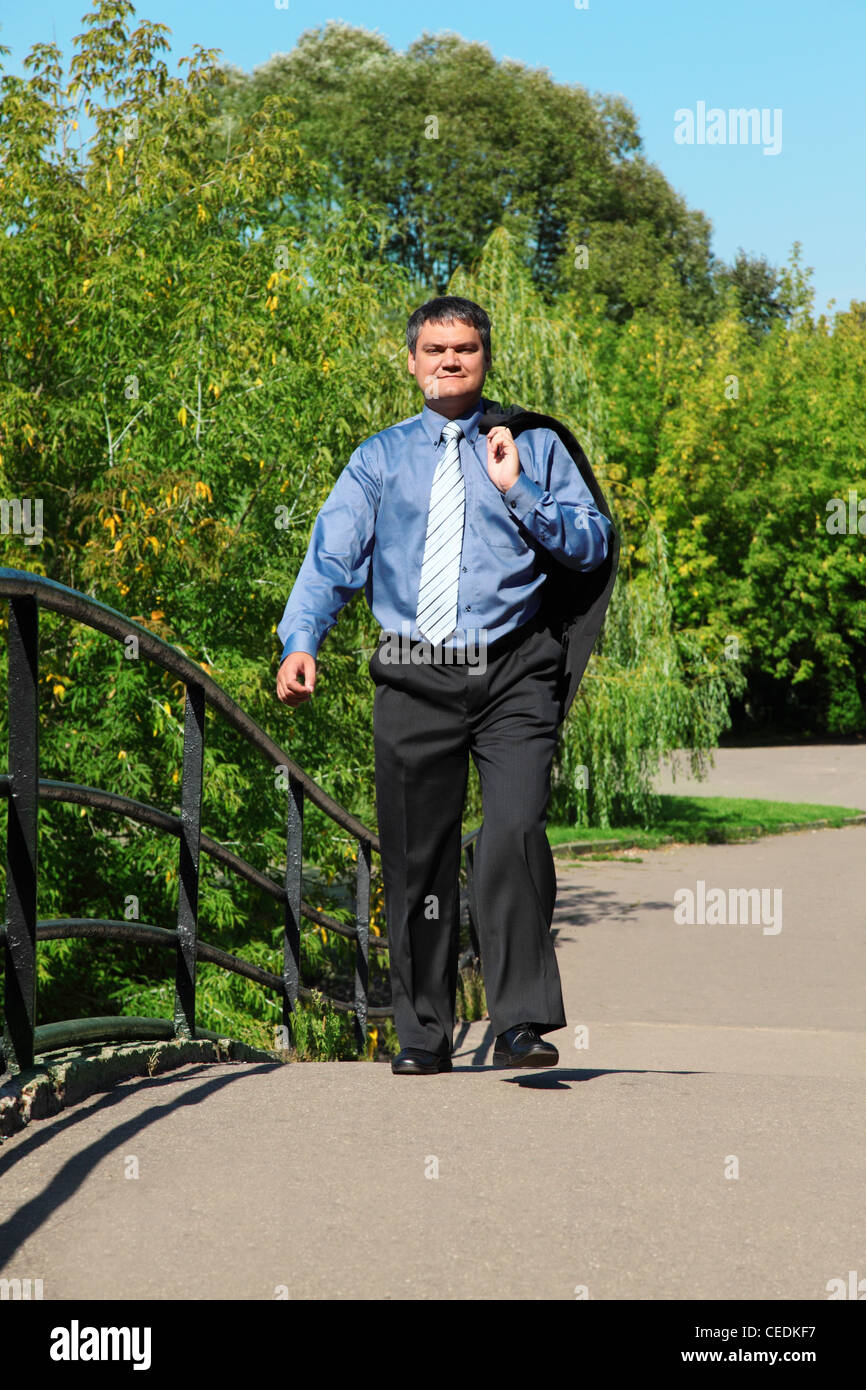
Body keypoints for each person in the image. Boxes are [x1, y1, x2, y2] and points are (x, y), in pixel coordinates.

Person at [275, 296, 613, 1074]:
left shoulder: (531, 445)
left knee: (514, 830)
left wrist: (518, 490)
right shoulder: (380, 458)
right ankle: (423, 1033)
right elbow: (332, 557)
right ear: (412, 361)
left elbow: (592, 543)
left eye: (464, 348)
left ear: (486, 356)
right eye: (435, 349)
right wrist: (302, 640)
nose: (450, 360)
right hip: (414, 672)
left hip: (512, 670)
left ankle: (521, 1021)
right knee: (416, 858)